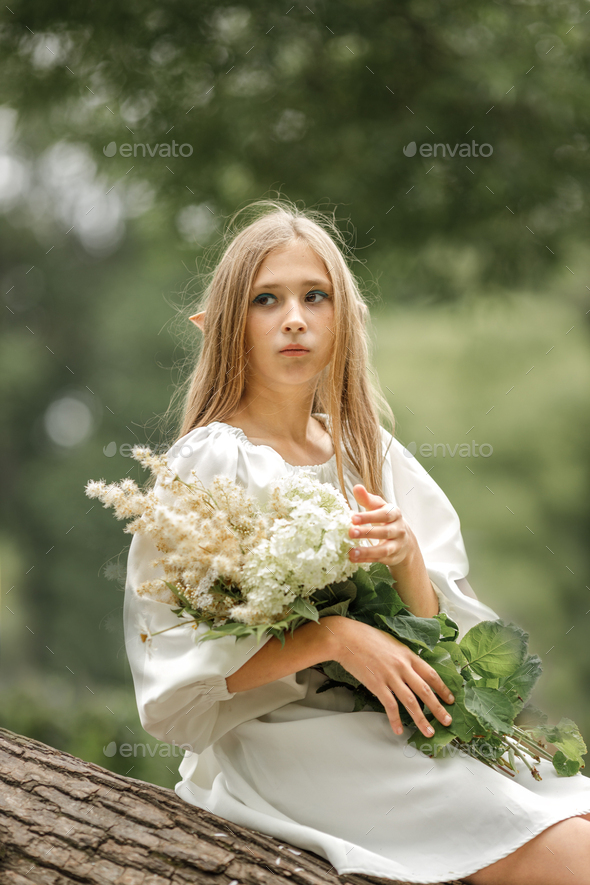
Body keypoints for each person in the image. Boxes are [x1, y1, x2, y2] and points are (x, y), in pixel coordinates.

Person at [124, 199, 590, 885]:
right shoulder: (211, 461)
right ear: (226, 323)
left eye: (315, 296)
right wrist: (333, 638)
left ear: (343, 317)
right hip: (291, 740)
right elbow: (177, 682)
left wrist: (406, 557)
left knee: (575, 809)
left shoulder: (367, 451)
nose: (294, 318)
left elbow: (439, 637)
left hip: (397, 720)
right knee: (569, 854)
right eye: (266, 299)